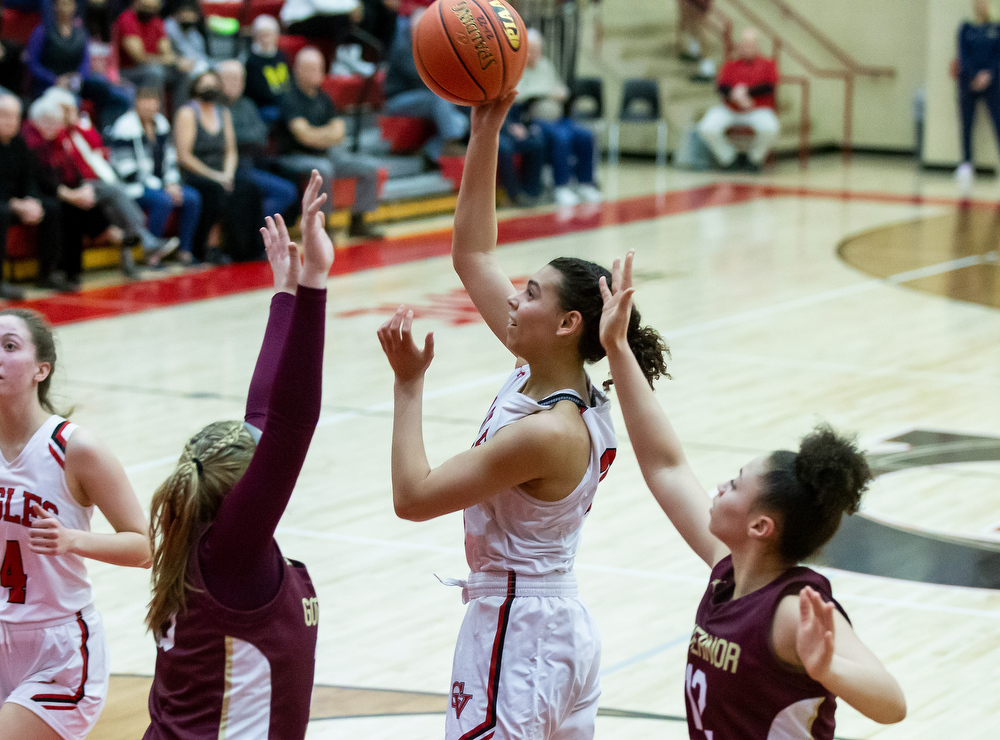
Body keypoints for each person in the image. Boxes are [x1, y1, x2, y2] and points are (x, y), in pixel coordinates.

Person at [377, 92, 669, 740]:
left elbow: (414, 497)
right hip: (552, 629)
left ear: (568, 323)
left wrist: (408, 387)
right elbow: (473, 254)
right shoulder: (551, 381)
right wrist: (487, 130)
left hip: (517, 632)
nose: (514, 296)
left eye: (531, 292)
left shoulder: (547, 432)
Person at [597, 251, 908, 739]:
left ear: (760, 526)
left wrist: (830, 671)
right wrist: (617, 346)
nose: (719, 487)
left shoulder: (789, 610)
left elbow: (892, 703)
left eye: (736, 484)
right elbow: (665, 464)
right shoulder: (729, 569)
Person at [143, 171, 332, 738]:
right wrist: (316, 286)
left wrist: (285, 292)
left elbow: (265, 412)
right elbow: (291, 423)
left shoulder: (209, 543)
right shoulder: (232, 555)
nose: (261, 431)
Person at [0, 306, 152, 740]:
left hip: (58, 650)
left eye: (9, 347)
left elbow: (144, 548)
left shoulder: (74, 449)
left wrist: (72, 540)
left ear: (40, 370)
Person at [42, 86, 178, 276]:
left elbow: (96, 142)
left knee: (114, 209)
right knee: (118, 193)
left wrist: (79, 124)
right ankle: (146, 240)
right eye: (67, 110)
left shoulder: (77, 130)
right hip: (82, 186)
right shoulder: (58, 134)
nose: (72, 113)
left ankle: (130, 263)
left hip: (100, 183)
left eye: (73, 109)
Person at [276, 47, 383, 240]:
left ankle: (358, 221)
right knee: (323, 170)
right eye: (311, 68)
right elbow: (304, 136)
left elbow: (339, 131)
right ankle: (322, 228)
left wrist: (319, 135)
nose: (317, 73)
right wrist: (326, 135)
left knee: (369, 167)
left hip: (325, 153)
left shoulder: (324, 98)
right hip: (294, 156)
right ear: (298, 70)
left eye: (319, 68)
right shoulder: (289, 98)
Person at [175, 69, 265, 263]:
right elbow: (184, 157)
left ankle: (249, 249)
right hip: (196, 173)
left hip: (222, 173)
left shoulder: (223, 112)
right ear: (195, 88)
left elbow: (231, 150)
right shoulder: (187, 113)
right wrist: (215, 176)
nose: (210, 89)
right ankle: (209, 248)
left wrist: (227, 174)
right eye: (205, 86)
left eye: (213, 85)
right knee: (216, 193)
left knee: (250, 189)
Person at [108, 86, 202, 266]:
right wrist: (162, 186)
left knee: (192, 198)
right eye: (145, 100)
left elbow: (170, 160)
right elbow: (126, 169)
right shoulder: (124, 127)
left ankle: (185, 251)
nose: (150, 105)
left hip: (160, 184)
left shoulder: (161, 124)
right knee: (163, 200)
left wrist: (172, 183)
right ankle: (152, 254)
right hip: (132, 188)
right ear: (136, 103)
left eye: (153, 100)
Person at [515, 29, 601, 206]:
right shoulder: (519, 68)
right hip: (536, 120)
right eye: (532, 49)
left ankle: (585, 183)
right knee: (562, 138)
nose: (536, 53)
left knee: (585, 136)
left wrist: (559, 93)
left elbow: (560, 88)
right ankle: (561, 186)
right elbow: (519, 96)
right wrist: (546, 93)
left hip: (559, 119)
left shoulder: (545, 65)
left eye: (539, 49)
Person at [25, 0, 133, 130]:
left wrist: (77, 77)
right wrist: (55, 80)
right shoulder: (42, 31)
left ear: (75, 7)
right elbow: (33, 65)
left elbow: (85, 64)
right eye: (63, 4)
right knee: (73, 101)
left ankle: (109, 131)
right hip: (49, 84)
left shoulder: (81, 32)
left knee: (119, 95)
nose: (66, 8)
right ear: (55, 7)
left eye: (69, 4)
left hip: (76, 82)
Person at [382, 6, 468, 164]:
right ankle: (450, 142)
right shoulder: (403, 48)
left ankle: (431, 149)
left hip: (422, 98)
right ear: (411, 28)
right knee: (438, 97)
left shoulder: (428, 46)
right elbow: (424, 77)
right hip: (397, 100)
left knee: (462, 122)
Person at [218, 59, 298, 223]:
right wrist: (244, 138)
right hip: (227, 168)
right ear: (218, 81)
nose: (236, 84)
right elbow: (224, 139)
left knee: (289, 187)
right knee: (284, 191)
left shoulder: (248, 104)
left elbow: (261, 136)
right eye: (231, 79)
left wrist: (240, 137)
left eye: (240, 79)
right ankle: (256, 233)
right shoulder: (215, 107)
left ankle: (255, 231)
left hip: (251, 164)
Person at [0, 94, 64, 298]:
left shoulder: (19, 144)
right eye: (5, 116)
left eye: (15, 116)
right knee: (0, 213)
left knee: (51, 207)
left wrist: (32, 200)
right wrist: (14, 204)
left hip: (17, 203)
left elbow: (30, 178)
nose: (11, 121)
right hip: (4, 204)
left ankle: (48, 272)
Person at [697, 27, 779, 171]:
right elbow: (721, 87)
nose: (747, 48)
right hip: (730, 108)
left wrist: (747, 93)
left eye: (751, 44)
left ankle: (754, 159)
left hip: (757, 109)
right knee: (707, 126)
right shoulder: (730, 65)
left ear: (757, 46)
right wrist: (735, 94)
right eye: (744, 44)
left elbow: (769, 87)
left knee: (771, 128)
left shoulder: (768, 64)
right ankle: (728, 158)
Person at [954, 0, 1000, 195]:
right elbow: (963, 55)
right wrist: (973, 75)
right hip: (969, 83)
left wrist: (988, 73)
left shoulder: (996, 29)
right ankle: (966, 164)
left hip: (993, 82)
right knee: (967, 123)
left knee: (998, 120)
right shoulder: (966, 28)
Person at [115, 0, 190, 104]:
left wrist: (177, 62)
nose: (149, 11)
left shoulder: (156, 21)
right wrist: (167, 59)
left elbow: (167, 52)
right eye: (146, 6)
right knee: (155, 72)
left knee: (181, 72)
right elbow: (139, 58)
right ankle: (156, 117)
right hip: (128, 71)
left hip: (153, 66)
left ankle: (181, 113)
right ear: (135, 3)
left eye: (153, 8)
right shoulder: (127, 19)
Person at [243, 14, 290, 125]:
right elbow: (255, 92)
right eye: (262, 35)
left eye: (268, 34)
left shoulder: (282, 57)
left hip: (285, 103)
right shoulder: (251, 61)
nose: (265, 39)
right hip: (263, 107)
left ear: (276, 35)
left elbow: (289, 82)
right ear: (255, 37)